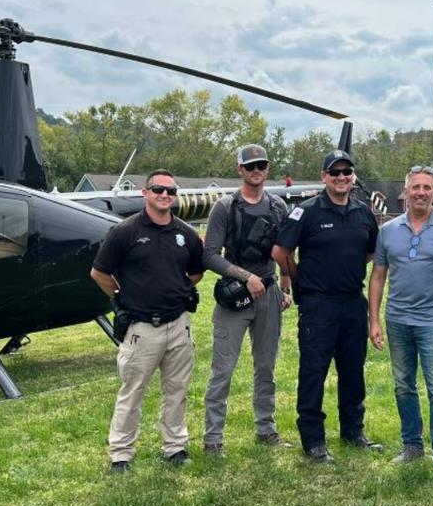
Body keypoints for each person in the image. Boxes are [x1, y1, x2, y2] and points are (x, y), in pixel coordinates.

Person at [90, 169, 205, 473]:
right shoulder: (124, 232)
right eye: (158, 189)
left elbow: (196, 271)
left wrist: (180, 289)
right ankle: (121, 454)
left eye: (170, 191)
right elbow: (99, 272)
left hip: (178, 325)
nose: (165, 195)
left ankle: (175, 447)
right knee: (132, 392)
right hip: (142, 328)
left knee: (177, 391)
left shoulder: (186, 234)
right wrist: (120, 296)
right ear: (145, 193)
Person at [272, 149, 382, 463]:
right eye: (335, 173)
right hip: (318, 304)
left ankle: (353, 430)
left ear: (353, 177)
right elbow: (280, 251)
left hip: (352, 302)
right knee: (313, 372)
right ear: (324, 177)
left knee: (353, 371)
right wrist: (299, 277)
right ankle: (314, 441)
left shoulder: (362, 213)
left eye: (347, 172)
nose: (341, 177)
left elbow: (371, 251)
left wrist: (346, 268)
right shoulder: (306, 211)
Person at [368, 165, 433, 481]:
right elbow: (378, 277)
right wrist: (374, 320)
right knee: (403, 386)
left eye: (428, 188)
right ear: (406, 191)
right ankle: (412, 446)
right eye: (416, 187)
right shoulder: (388, 231)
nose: (421, 193)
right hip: (397, 320)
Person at [201, 144, 294, 456]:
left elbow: (284, 249)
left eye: (261, 166)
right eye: (250, 166)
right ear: (239, 170)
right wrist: (245, 277)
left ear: (267, 169)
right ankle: (213, 439)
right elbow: (209, 255)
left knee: (266, 366)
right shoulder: (225, 207)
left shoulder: (279, 206)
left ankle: (265, 428)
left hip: (268, 294)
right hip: (235, 297)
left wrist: (284, 284)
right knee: (223, 369)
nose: (256, 171)